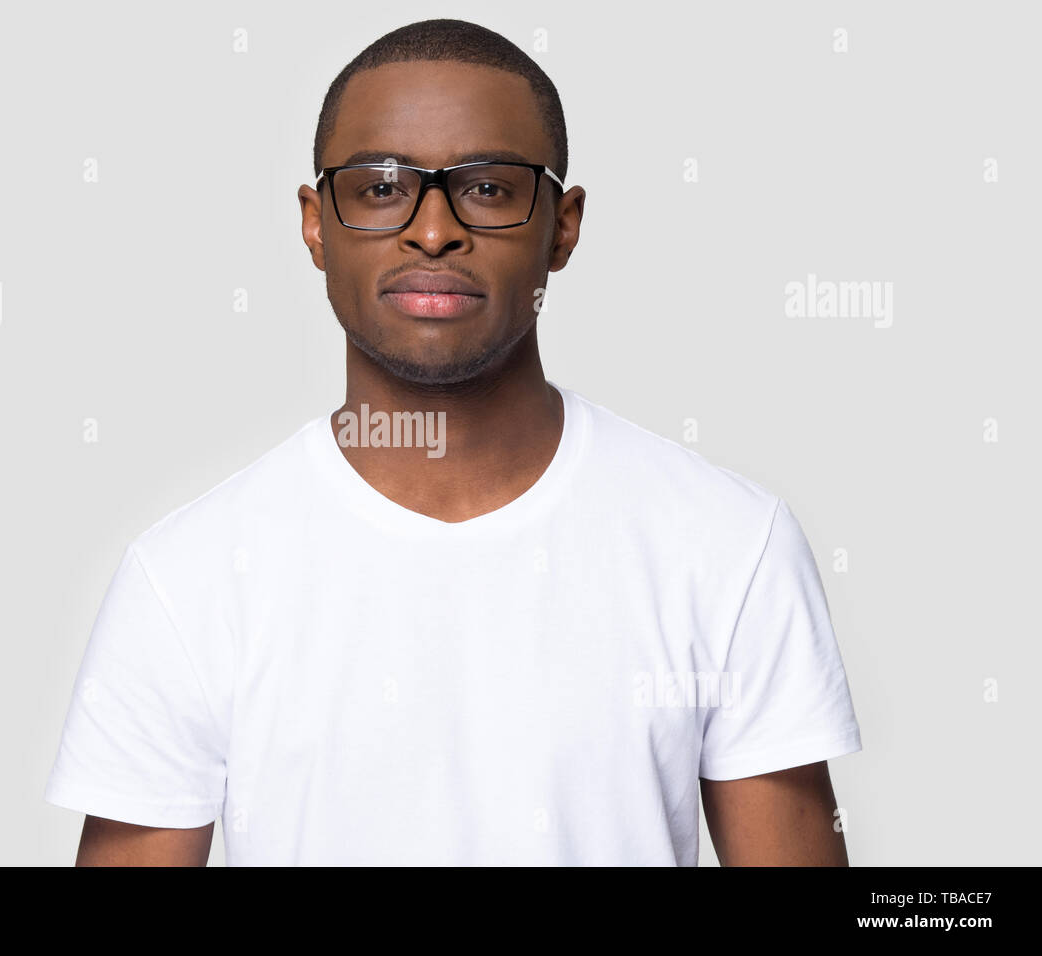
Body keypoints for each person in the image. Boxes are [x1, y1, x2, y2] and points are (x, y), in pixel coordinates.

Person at [44, 18, 862, 866]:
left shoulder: (727, 545)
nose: (432, 231)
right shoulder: (189, 576)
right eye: (379, 188)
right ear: (316, 223)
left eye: (489, 188)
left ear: (564, 226)